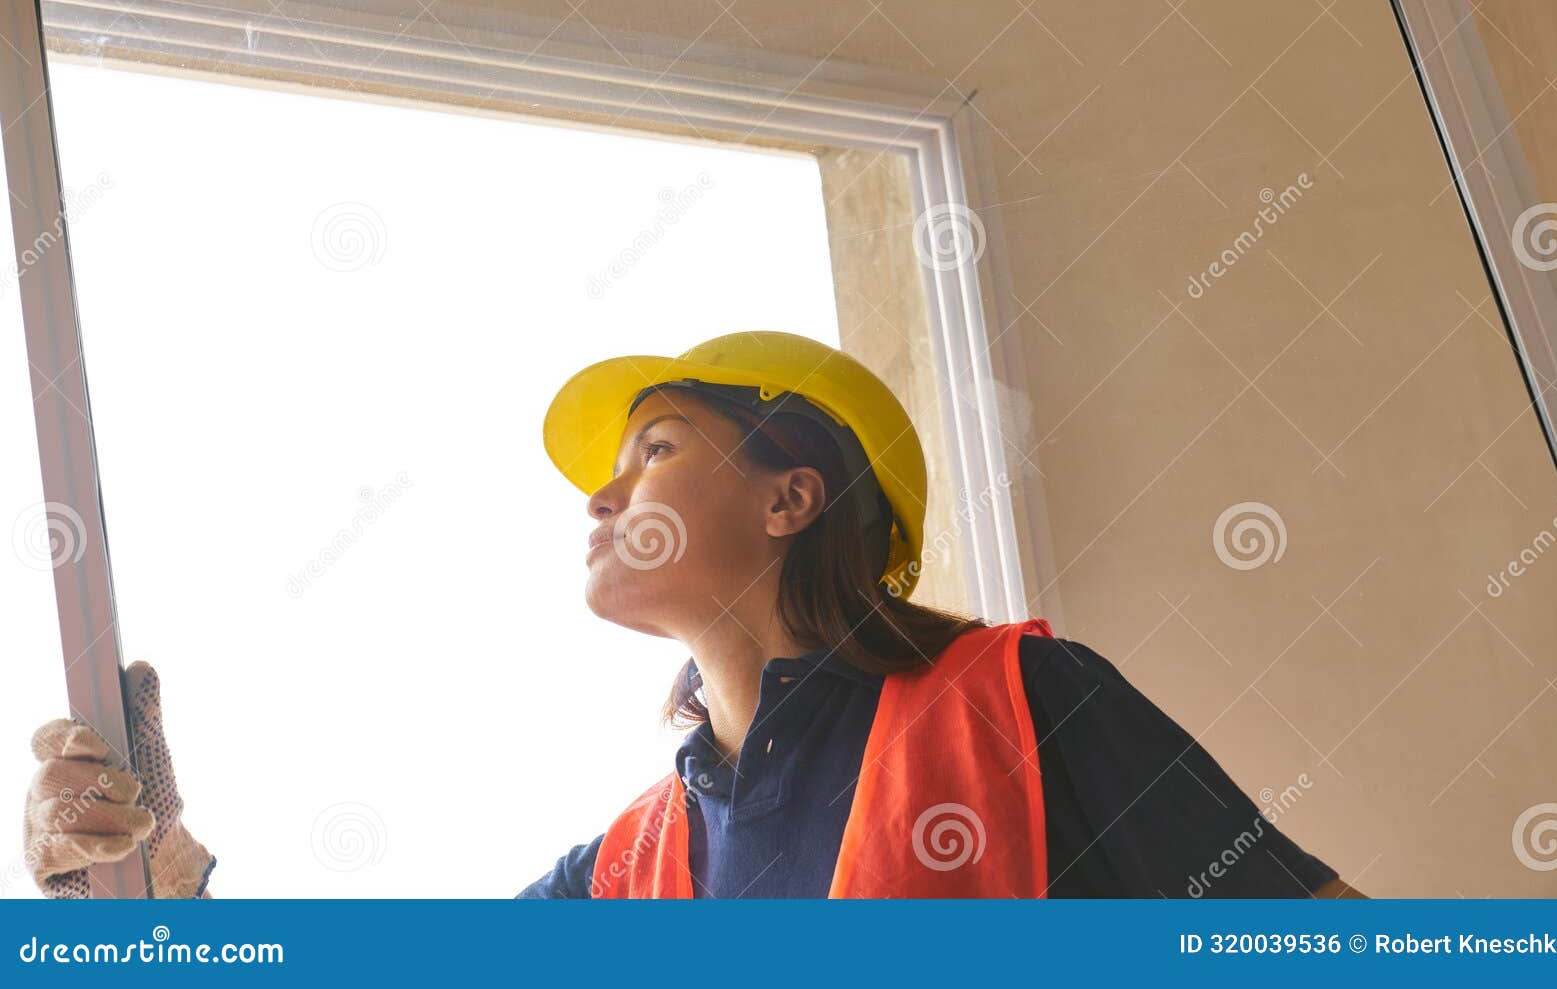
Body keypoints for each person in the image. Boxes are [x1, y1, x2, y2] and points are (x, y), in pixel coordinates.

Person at [22, 330, 1362, 899]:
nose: (601, 495)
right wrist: (159, 872)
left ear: (792, 497)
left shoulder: (1016, 699)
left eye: (654, 447)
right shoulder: (639, 860)